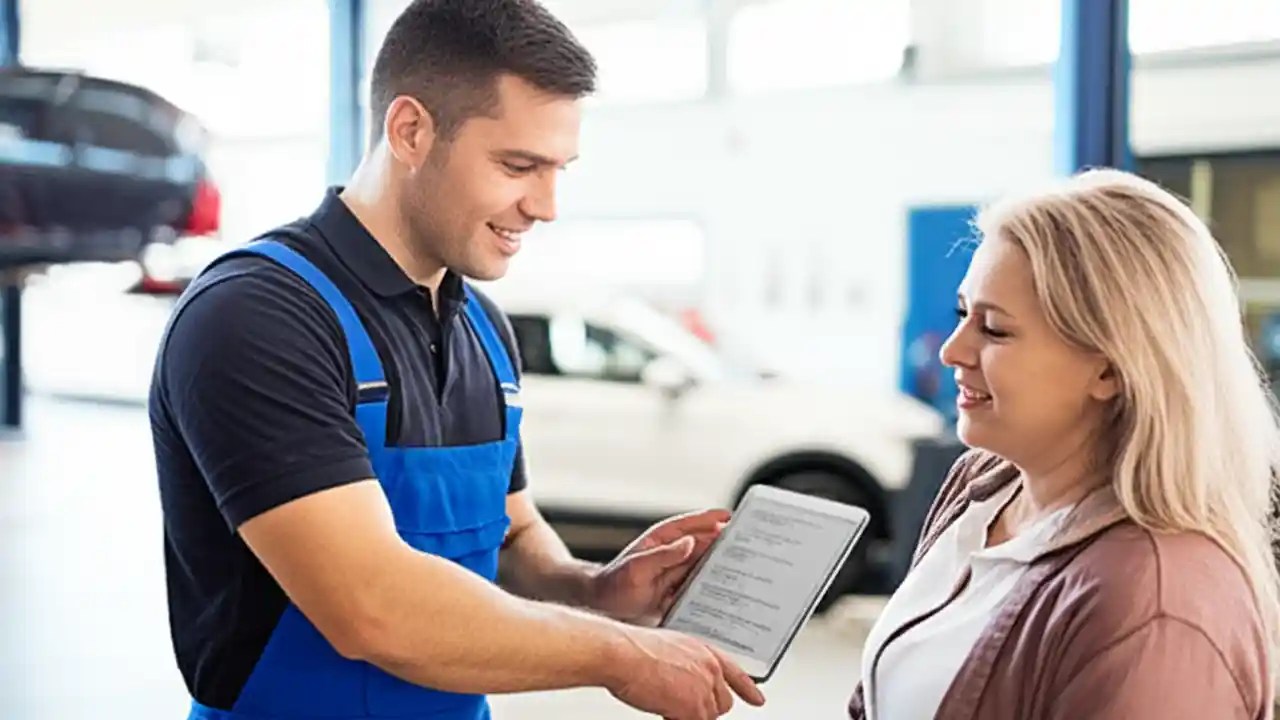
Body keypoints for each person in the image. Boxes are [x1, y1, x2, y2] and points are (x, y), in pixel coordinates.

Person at [147, 2, 765, 719]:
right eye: (518, 165)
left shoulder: (484, 330)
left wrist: (593, 588)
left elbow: (509, 536)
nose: (546, 205)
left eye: (559, 168)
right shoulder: (257, 316)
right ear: (410, 130)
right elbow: (369, 606)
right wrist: (619, 654)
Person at [849, 169, 1280, 719]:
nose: (952, 351)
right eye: (964, 314)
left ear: (1111, 368)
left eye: (995, 329)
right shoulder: (983, 488)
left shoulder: (1155, 607)